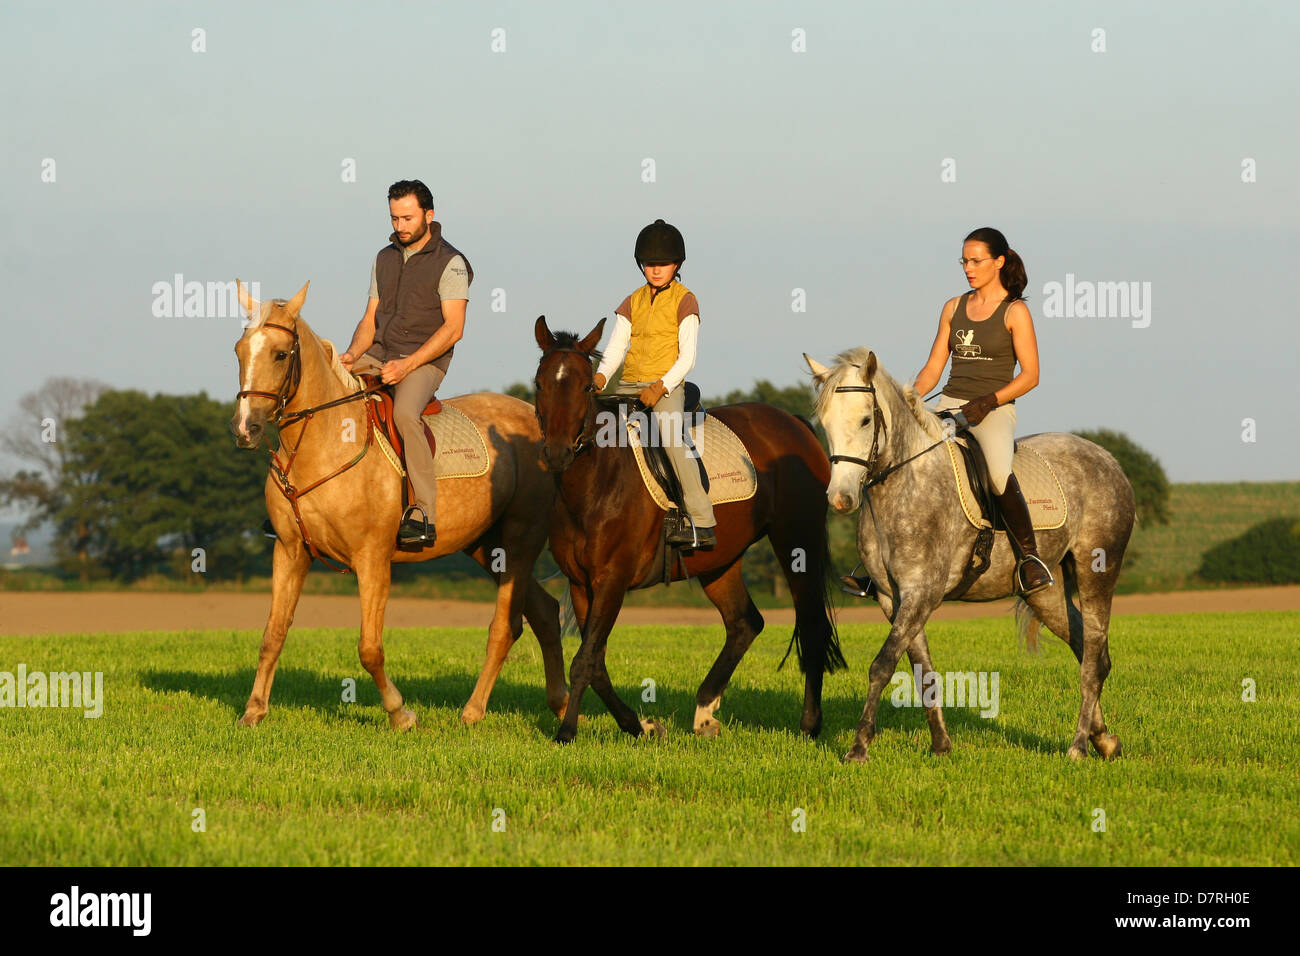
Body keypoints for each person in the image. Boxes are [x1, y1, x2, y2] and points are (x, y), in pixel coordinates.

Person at [912, 226, 1053, 594]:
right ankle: (879, 560)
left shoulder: (1015, 312)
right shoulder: (953, 307)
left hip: (993, 409)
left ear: (999, 261)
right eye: (964, 261)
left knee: (996, 472)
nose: (968, 268)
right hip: (949, 405)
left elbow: (1032, 375)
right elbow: (933, 368)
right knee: (909, 460)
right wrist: (909, 399)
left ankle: (1029, 558)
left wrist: (989, 401)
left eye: (976, 261)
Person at [339, 179, 472, 548]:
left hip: (426, 360)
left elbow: (454, 329)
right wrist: (352, 355)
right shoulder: (383, 257)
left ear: (429, 215)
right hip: (378, 353)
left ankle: (422, 513)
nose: (400, 226)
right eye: (395, 218)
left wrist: (408, 365)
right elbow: (370, 319)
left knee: (403, 415)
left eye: (408, 218)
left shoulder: (452, 263)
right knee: (333, 394)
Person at [593, 219, 716, 548]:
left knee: (672, 437)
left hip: (667, 386)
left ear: (676, 265)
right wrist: (601, 377)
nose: (656, 269)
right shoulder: (630, 301)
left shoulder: (685, 300)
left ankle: (702, 521)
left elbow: (688, 357)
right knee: (596, 429)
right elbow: (617, 347)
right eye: (650, 264)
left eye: (662, 264)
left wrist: (660, 387)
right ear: (641, 265)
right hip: (629, 382)